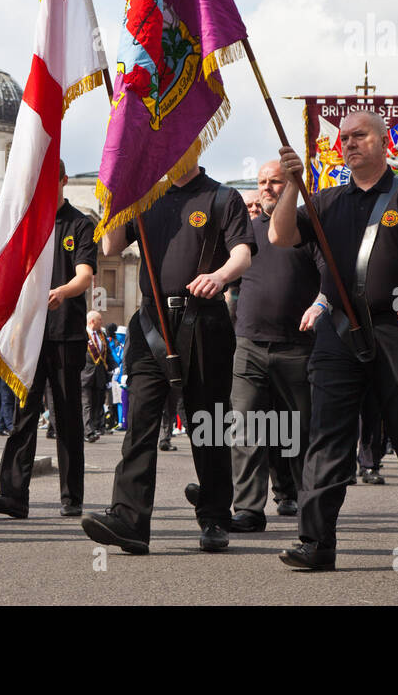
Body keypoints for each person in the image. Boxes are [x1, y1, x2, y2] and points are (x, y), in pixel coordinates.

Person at [269, 111, 398, 570]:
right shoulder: (326, 201)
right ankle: (316, 544)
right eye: (344, 138)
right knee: (327, 437)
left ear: (383, 141)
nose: (349, 143)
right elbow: (279, 235)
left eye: (360, 136)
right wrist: (295, 185)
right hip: (338, 331)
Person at [81, 162, 255, 555]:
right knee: (140, 418)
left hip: (203, 317)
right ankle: (129, 520)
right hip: (150, 321)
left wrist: (221, 276)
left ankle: (214, 516)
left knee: (207, 421)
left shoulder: (222, 197)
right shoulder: (146, 197)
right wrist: (114, 195)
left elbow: (243, 254)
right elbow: (110, 246)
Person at [0, 161, 96, 519]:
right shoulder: (26, 225)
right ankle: (14, 496)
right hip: (29, 333)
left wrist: (63, 291)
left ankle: (71, 495)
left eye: (51, 180)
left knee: (66, 416)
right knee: (24, 414)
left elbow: (84, 276)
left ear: (64, 180)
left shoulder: (80, 224)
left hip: (66, 333)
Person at [229, 159, 321, 533]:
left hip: (297, 346)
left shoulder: (308, 229)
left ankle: (308, 503)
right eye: (262, 182)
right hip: (249, 343)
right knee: (245, 428)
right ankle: (248, 509)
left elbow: (331, 277)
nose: (267, 188)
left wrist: (321, 304)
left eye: (276, 182)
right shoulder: (245, 233)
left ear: (294, 184)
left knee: (299, 431)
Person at [81, 310, 112, 441]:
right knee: (86, 404)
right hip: (85, 374)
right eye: (100, 320)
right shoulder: (82, 333)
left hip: (100, 375)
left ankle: (93, 428)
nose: (102, 322)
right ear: (92, 321)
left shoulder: (102, 335)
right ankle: (87, 432)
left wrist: (114, 368)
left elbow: (108, 353)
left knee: (97, 404)